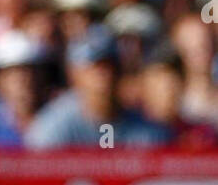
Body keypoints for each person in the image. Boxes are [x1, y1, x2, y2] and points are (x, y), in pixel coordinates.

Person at [26, 23, 166, 145]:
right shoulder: (53, 127)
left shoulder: (144, 129)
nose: (104, 74)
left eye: (110, 65)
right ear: (73, 72)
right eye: (93, 66)